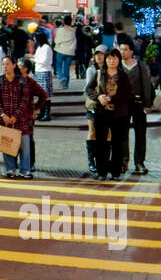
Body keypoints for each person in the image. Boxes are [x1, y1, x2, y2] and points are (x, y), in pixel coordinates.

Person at [0, 54, 46, 178]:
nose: (5, 66)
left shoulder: (22, 81)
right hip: (4, 119)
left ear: (14, 65)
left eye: (7, 64)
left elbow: (25, 100)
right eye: (3, 64)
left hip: (21, 119)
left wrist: (16, 115)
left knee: (25, 145)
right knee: (6, 145)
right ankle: (10, 169)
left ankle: (25, 170)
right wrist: (2, 114)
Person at [87, 49, 132, 180]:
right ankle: (102, 171)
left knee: (118, 142)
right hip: (101, 112)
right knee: (101, 142)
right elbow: (88, 89)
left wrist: (111, 99)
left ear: (119, 60)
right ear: (106, 60)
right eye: (109, 58)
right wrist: (99, 97)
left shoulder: (124, 75)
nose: (112, 61)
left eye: (115, 58)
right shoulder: (99, 73)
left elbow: (126, 94)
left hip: (119, 113)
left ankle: (116, 171)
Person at [117, 37, 155, 173]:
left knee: (140, 133)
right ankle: (123, 161)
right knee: (122, 133)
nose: (122, 52)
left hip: (138, 103)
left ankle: (139, 162)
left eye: (125, 50)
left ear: (131, 51)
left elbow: (147, 86)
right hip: (122, 104)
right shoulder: (117, 66)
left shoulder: (140, 66)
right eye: (120, 49)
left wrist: (147, 104)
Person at [82, 48, 107, 176]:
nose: (99, 57)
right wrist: (99, 97)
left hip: (107, 105)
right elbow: (89, 87)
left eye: (101, 55)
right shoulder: (91, 70)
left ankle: (104, 161)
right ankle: (91, 161)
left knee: (107, 134)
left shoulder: (110, 69)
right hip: (94, 105)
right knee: (92, 132)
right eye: (97, 55)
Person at [32, 29, 55, 121]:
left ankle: (47, 113)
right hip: (39, 71)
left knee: (45, 94)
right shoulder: (39, 47)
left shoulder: (46, 47)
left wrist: (35, 60)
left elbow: (44, 60)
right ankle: (42, 112)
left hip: (45, 71)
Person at [53, 16, 77, 90]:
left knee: (58, 66)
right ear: (70, 22)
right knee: (67, 68)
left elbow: (57, 41)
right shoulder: (73, 31)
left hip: (60, 51)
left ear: (63, 22)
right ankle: (66, 85)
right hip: (70, 52)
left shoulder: (60, 30)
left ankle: (62, 78)